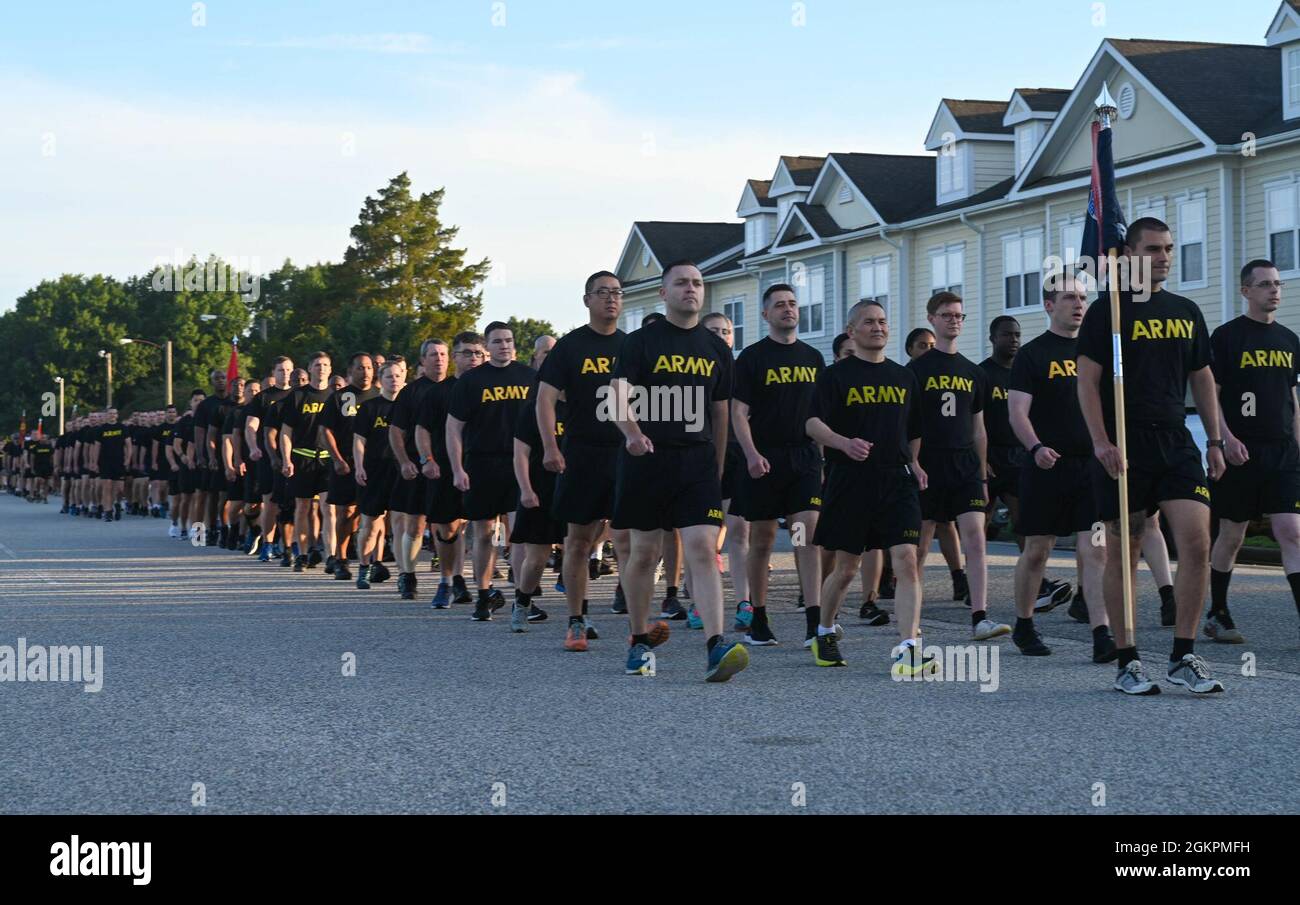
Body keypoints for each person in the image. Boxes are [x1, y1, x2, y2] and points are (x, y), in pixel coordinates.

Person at [1077, 216, 1225, 695]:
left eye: (1168, 248)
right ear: (1128, 256)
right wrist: (1101, 441)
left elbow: (1202, 377)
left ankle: (1183, 655)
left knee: (1197, 544)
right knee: (1126, 549)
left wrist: (1215, 440)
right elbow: (1087, 381)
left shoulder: (1187, 310)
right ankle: (1127, 659)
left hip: (1176, 441)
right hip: (1124, 444)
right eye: (1153, 249)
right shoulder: (1108, 311)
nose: (1164, 257)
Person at [609, 260, 749, 682]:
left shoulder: (716, 348)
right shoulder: (640, 343)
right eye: (682, 283)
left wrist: (717, 467)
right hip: (647, 459)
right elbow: (617, 398)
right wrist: (633, 433)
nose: (691, 289)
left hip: (697, 462)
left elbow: (720, 413)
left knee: (703, 548)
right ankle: (638, 639)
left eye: (697, 283)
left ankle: (715, 644)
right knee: (644, 553)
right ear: (663, 293)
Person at [805, 300, 936, 676]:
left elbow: (914, 429)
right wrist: (843, 443)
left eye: (882, 321)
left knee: (907, 560)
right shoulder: (835, 376)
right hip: (851, 479)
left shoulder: (903, 376)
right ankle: (824, 631)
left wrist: (915, 462)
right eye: (869, 322)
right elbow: (811, 423)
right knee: (847, 567)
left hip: (897, 479)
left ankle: (909, 648)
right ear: (852, 330)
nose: (878, 327)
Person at [1008, 275, 1116, 662]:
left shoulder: (1098, 352)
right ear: (1049, 305)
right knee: (1038, 551)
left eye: (1083, 297)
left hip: (1092, 467)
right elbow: (1017, 412)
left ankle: (1102, 634)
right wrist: (1035, 446)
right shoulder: (1032, 354)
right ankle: (1024, 624)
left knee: (1096, 551)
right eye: (1070, 297)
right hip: (1046, 466)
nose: (1079, 304)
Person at [1206, 259, 1300, 644]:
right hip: (1240, 451)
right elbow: (1211, 394)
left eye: (1277, 284)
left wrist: (1298, 446)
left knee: (1292, 532)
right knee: (1232, 534)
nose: (1274, 290)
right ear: (1246, 291)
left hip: (1283, 452)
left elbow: (1291, 398)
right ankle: (1218, 612)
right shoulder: (1227, 337)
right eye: (1264, 284)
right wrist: (1224, 438)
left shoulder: (1289, 339)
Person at [908, 293, 1010, 641]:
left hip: (965, 464)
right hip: (929, 462)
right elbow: (908, 424)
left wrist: (982, 475)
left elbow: (979, 428)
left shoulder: (973, 372)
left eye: (959, 315)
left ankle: (980, 616)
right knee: (920, 545)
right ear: (932, 319)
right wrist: (912, 462)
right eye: (947, 315)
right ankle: (911, 617)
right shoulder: (916, 370)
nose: (954, 320)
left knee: (976, 540)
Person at [538, 271, 630, 650]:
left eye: (617, 292)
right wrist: (550, 446)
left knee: (629, 540)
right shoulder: (570, 346)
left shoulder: (631, 346)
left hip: (625, 453)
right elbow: (545, 399)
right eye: (602, 292)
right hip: (582, 452)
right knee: (577, 541)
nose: (611, 298)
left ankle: (637, 623)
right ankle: (576, 620)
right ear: (587, 300)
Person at [731, 283, 825, 648]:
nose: (788, 309)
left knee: (806, 536)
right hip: (765, 460)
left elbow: (820, 415)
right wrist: (752, 454)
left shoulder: (812, 358)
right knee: (763, 539)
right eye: (780, 305)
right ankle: (759, 616)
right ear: (766, 314)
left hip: (803, 459)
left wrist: (823, 458)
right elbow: (739, 413)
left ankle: (815, 621)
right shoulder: (753, 357)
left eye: (792, 303)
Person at [446, 322, 537, 622]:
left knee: (520, 534)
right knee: (484, 533)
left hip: (520, 463)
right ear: (487, 347)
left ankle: (522, 599)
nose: (504, 346)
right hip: (482, 463)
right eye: (497, 341)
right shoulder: (471, 381)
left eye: (508, 340)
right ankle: (483, 596)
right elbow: (453, 428)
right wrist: (457, 468)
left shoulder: (529, 376)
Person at [416, 335, 479, 608]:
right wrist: (427, 459)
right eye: (466, 353)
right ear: (455, 357)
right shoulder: (439, 392)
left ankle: (474, 583)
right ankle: (446, 580)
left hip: (483, 465)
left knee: (483, 527)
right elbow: (421, 429)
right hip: (444, 467)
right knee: (447, 526)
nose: (472, 359)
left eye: (477, 353)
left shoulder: (490, 387)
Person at [699, 312, 752, 634]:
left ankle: (744, 601)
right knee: (703, 538)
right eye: (714, 331)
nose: (721, 336)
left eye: (726, 331)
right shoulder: (694, 369)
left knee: (739, 532)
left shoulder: (742, 370)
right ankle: (699, 602)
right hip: (701, 455)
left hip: (736, 454)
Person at [389, 340, 449, 600]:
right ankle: (408, 574)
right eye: (433, 355)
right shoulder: (411, 392)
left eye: (443, 354)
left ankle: (450, 579)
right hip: (417, 465)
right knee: (414, 525)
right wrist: (404, 461)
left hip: (449, 466)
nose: (439, 359)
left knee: (448, 526)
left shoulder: (458, 387)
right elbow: (395, 431)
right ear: (423, 360)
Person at [320, 353, 378, 581]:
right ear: (350, 371)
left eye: (369, 368)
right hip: (346, 462)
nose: (365, 372)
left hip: (375, 464)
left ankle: (374, 560)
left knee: (373, 513)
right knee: (346, 511)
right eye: (360, 368)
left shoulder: (379, 395)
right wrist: (337, 459)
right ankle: (341, 558)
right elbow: (325, 431)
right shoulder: (339, 398)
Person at [354, 358, 407, 589]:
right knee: (370, 523)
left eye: (397, 376)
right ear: (380, 380)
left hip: (401, 470)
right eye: (388, 376)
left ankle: (404, 573)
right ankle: (364, 568)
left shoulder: (408, 406)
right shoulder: (369, 407)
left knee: (400, 523)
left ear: (403, 378)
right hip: (374, 470)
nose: (393, 380)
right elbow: (359, 440)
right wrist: (359, 466)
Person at [279, 352, 334, 572]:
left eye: (325, 365)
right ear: (310, 368)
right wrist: (286, 459)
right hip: (303, 457)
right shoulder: (297, 396)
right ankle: (301, 554)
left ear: (330, 369)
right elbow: (285, 431)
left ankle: (331, 556)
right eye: (317, 365)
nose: (321, 368)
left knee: (329, 509)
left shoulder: (335, 397)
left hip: (327, 459)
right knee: (302, 507)